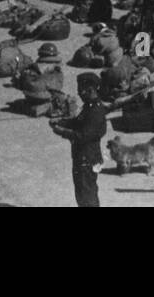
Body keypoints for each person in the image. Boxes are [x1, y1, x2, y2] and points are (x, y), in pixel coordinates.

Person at [50, 72, 109, 207]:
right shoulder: (89, 107)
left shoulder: (95, 111)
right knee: (82, 194)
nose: (79, 94)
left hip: (87, 159)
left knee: (87, 195)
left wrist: (62, 131)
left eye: (81, 91)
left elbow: (83, 136)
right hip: (82, 157)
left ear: (90, 90)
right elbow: (78, 122)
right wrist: (61, 122)